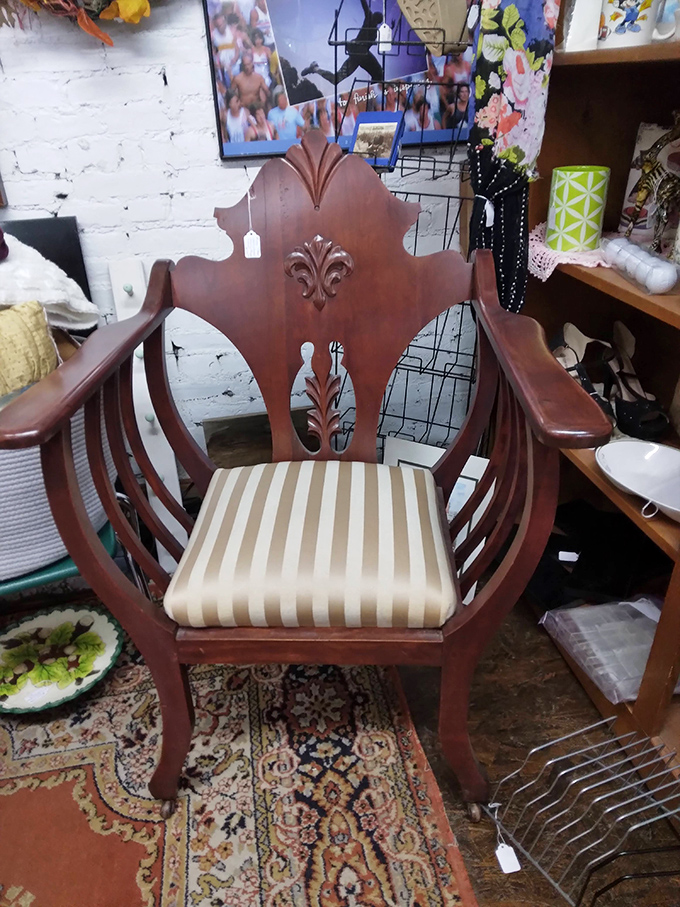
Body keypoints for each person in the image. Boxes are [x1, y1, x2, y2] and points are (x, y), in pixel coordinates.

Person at [300, 0, 385, 86]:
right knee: (378, 72)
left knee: (336, 79)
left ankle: (315, 69)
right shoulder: (369, 19)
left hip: (358, 54)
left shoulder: (375, 29)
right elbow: (364, 4)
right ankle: (375, 90)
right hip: (360, 52)